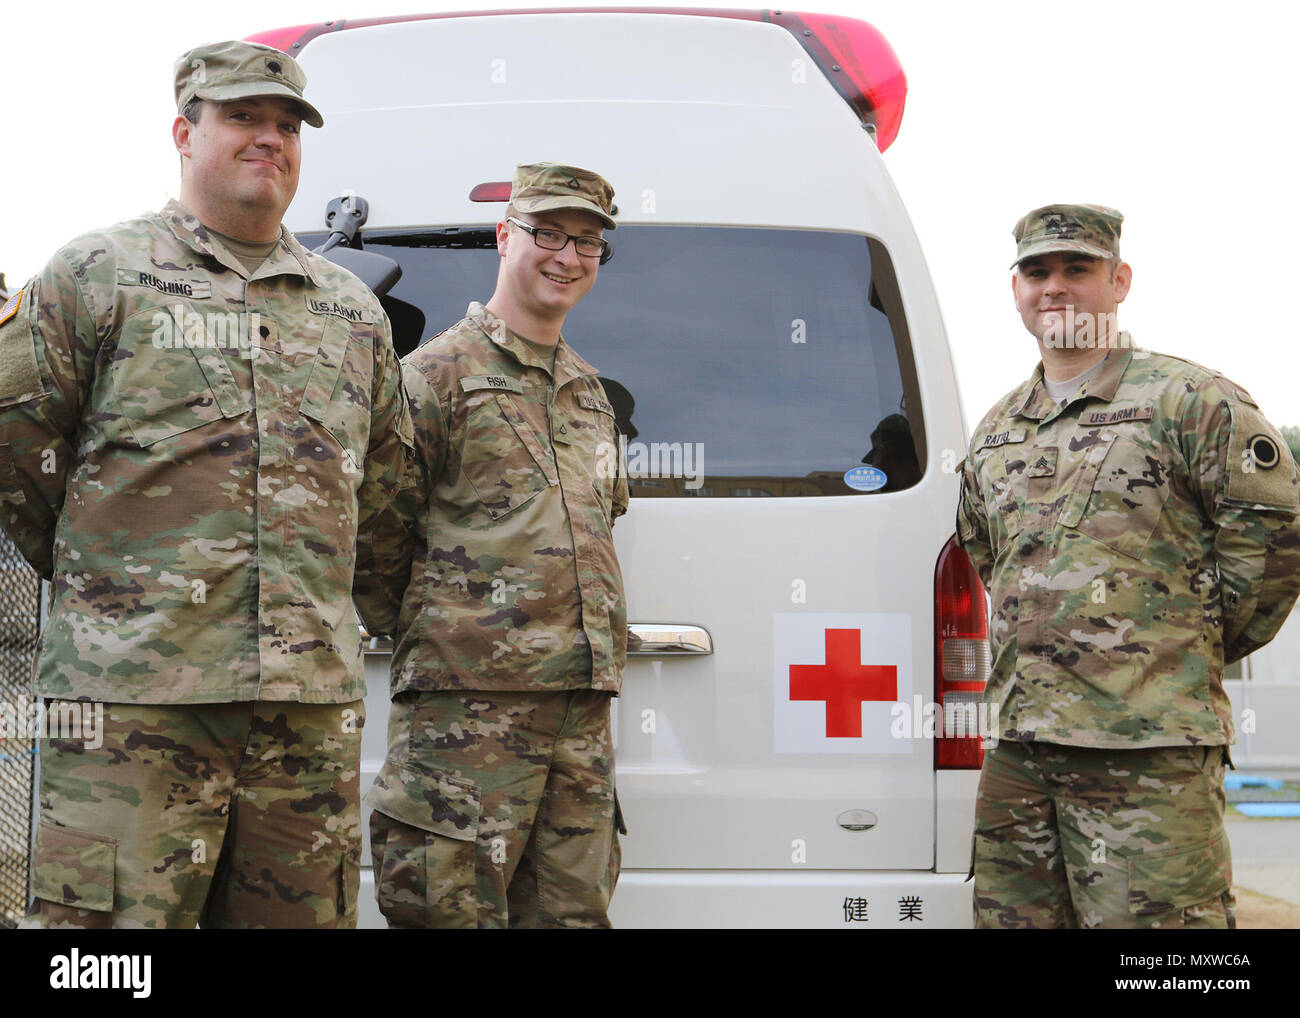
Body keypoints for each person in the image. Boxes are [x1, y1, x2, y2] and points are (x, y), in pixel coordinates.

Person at [0, 40, 412, 928]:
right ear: (184, 132)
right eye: (243, 118)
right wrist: (109, 586)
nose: (271, 138)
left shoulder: (352, 311)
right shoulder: (97, 276)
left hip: (305, 715)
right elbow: (18, 451)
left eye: (287, 124)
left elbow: (380, 495)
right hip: (133, 708)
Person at [956, 203, 1300, 929]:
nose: (1055, 286)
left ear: (1119, 281)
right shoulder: (995, 429)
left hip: (1148, 752)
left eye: (1077, 269)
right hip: (1021, 750)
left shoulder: (1193, 402)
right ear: (1015, 289)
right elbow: (991, 559)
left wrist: (1175, 650)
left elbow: (1271, 547)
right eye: (1036, 271)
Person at [355, 162, 628, 928]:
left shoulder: (589, 394)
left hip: (578, 721)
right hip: (462, 721)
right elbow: (376, 536)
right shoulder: (433, 378)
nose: (567, 257)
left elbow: (596, 533)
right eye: (547, 233)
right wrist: (453, 634)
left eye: (587, 242)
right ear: (506, 236)